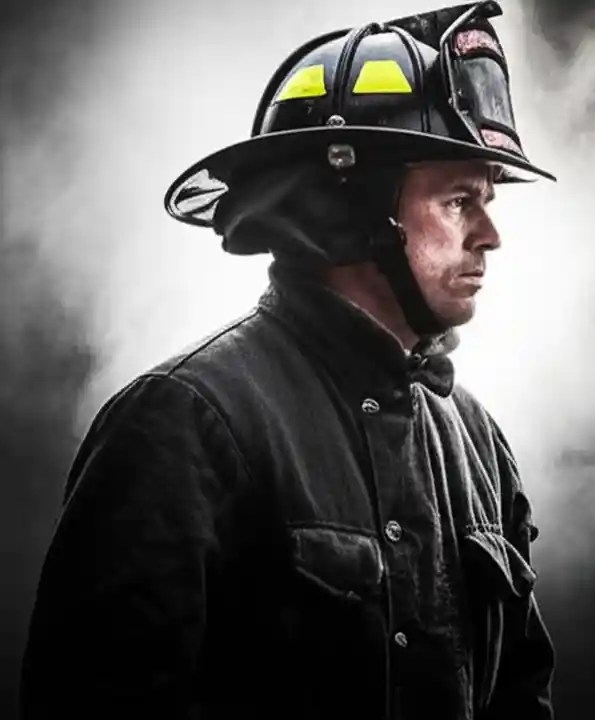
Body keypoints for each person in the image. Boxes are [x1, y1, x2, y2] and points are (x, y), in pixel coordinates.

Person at [20, 4, 556, 718]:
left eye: (487, 200)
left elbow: (523, 698)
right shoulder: (184, 424)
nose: (491, 235)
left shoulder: (481, 447)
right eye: (460, 200)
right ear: (352, 208)